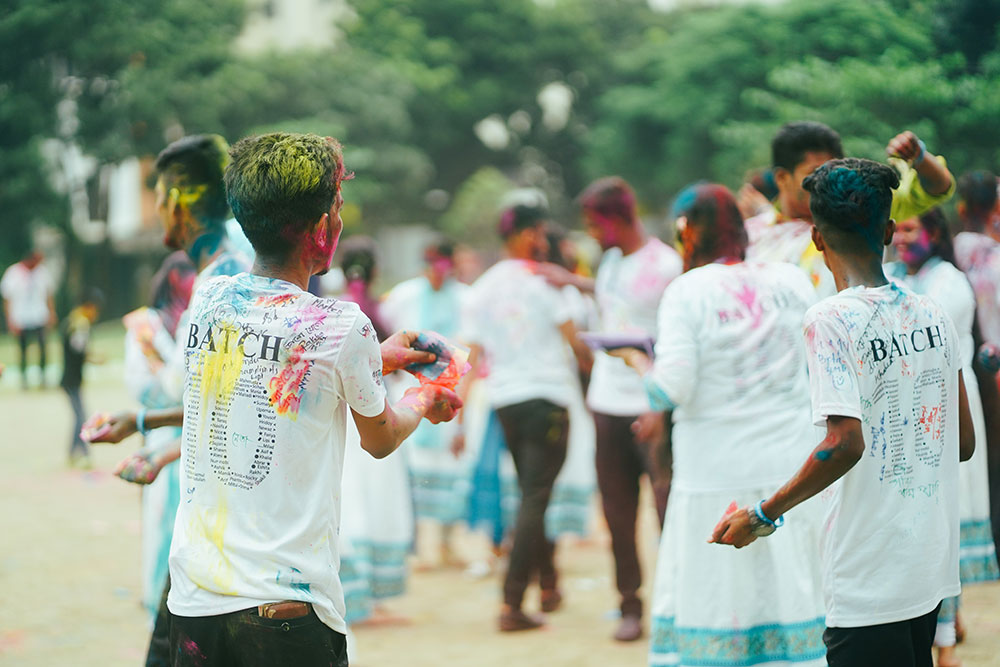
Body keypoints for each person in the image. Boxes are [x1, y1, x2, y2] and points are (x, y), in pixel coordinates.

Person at [155, 132, 461, 666]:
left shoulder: (208, 300)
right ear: (323, 228)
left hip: (195, 602)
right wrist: (426, 396)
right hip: (285, 615)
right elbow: (382, 438)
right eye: (337, 208)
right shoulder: (341, 325)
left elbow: (275, 367)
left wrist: (375, 358)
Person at [712, 158, 976, 667]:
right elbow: (961, 443)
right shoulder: (932, 313)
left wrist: (763, 514)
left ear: (816, 237)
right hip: (928, 565)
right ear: (890, 231)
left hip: (869, 575)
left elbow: (843, 443)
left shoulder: (831, 319)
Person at [613, 184, 825, 666]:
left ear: (687, 230)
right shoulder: (791, 280)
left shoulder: (688, 290)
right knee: (787, 580)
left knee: (717, 588)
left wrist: (632, 360)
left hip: (715, 468)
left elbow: (670, 389)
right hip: (788, 463)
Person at [540, 176, 681, 641]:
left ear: (619, 217)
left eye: (595, 224)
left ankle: (677, 604)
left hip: (651, 402)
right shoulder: (611, 263)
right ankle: (630, 606)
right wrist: (573, 282)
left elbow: (676, 339)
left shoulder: (666, 264)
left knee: (666, 508)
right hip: (606, 401)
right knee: (617, 513)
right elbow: (611, 305)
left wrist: (661, 407)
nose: (592, 234)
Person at [461, 203, 593, 632]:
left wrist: (461, 414)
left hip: (506, 401)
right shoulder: (545, 282)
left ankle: (550, 584)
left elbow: (471, 356)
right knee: (535, 498)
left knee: (532, 493)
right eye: (537, 233)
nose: (543, 241)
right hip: (548, 396)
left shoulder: (482, 288)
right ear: (523, 234)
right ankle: (512, 602)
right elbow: (577, 346)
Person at [886, 209, 1000, 666]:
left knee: (942, 521)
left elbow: (927, 339)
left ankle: (946, 641)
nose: (900, 238)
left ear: (933, 235)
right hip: (901, 408)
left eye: (911, 229)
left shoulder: (948, 281)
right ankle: (944, 625)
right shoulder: (891, 274)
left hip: (944, 404)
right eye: (896, 228)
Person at [745, 121, 954, 298]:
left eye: (833, 171)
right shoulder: (751, 235)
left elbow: (936, 189)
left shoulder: (857, 211)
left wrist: (919, 157)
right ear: (782, 178)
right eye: (814, 172)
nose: (825, 181)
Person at [381, 239, 472, 567]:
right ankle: (417, 547)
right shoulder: (405, 295)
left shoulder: (465, 297)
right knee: (414, 474)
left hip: (453, 393)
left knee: (453, 469)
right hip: (411, 395)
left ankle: (448, 544)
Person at [2, 250, 56, 388]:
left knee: (43, 348)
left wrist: (51, 313)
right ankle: (24, 379)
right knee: (23, 350)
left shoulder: (42, 272)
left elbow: (48, 294)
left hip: (39, 316)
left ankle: (43, 377)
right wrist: (10, 319)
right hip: (21, 318)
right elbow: (7, 299)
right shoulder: (13, 273)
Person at [62, 289, 104, 467]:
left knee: (79, 416)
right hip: (71, 379)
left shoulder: (72, 319)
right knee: (81, 417)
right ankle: (83, 454)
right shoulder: (80, 323)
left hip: (70, 378)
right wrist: (95, 358)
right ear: (90, 306)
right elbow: (78, 349)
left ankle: (74, 453)